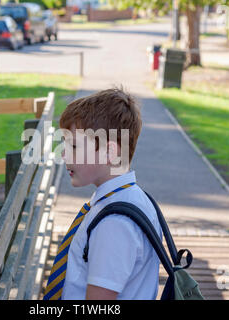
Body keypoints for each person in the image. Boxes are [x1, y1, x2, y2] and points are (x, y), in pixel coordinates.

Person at [43, 87, 162, 300]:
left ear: (109, 151)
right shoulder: (130, 199)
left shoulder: (115, 222)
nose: (64, 153)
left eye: (74, 145)